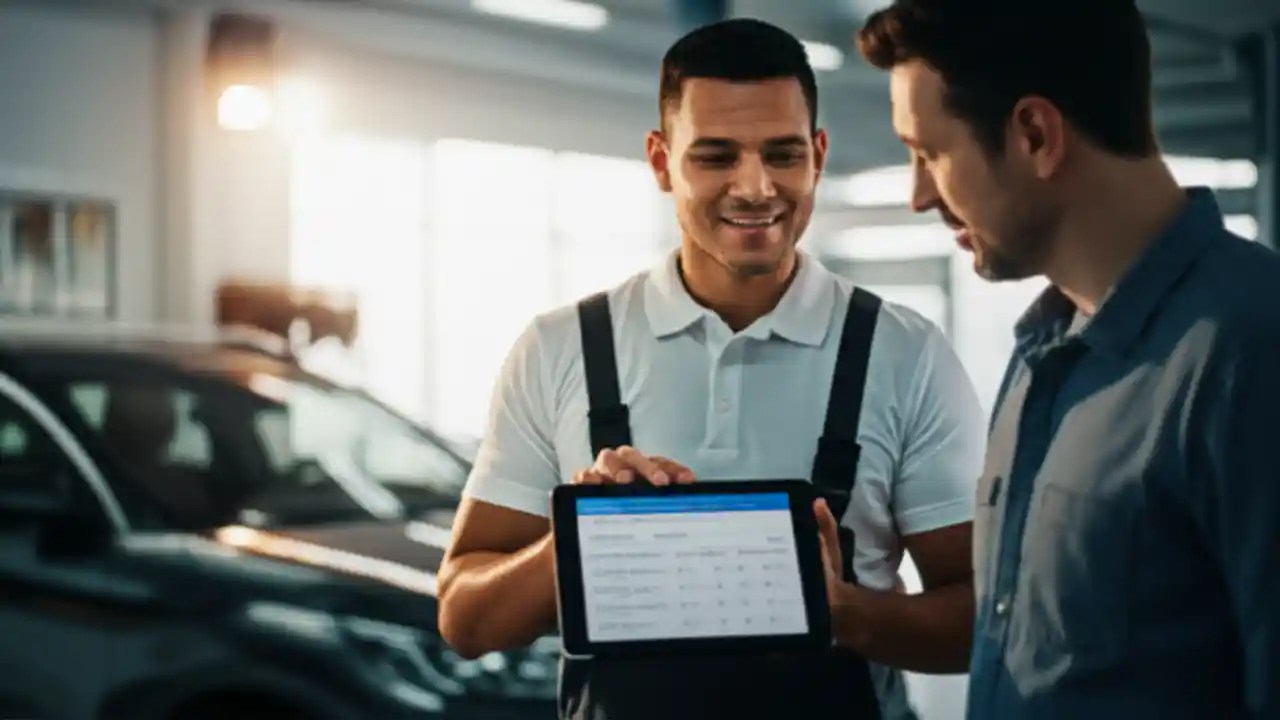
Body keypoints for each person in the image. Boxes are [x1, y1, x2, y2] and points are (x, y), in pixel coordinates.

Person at [438, 18, 986, 720]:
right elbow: (465, 619)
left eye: (783, 154)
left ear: (818, 156)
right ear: (662, 162)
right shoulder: (560, 349)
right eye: (716, 156)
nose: (754, 188)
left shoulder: (905, 353)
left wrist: (847, 613)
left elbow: (986, 618)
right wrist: (580, 541)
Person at [857, 1, 1280, 717]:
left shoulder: (1250, 352)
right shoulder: (1041, 355)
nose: (918, 195)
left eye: (929, 153)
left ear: (1034, 134)